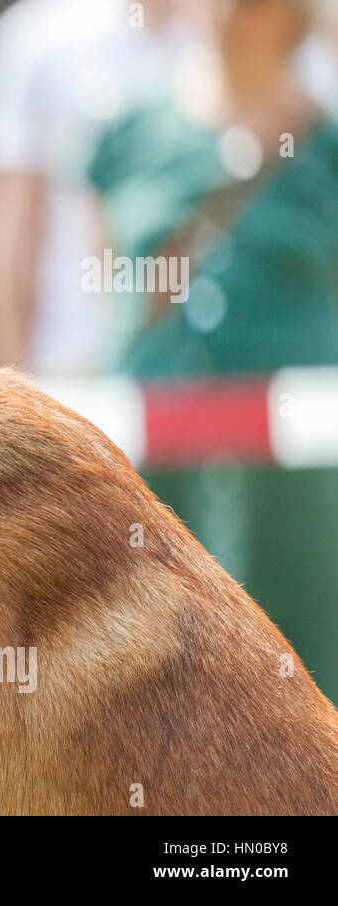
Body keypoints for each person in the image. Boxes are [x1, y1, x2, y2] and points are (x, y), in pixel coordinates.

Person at [87, 0, 338, 697]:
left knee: (309, 681)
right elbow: (101, 292)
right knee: (156, 685)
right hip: (152, 468)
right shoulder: (127, 134)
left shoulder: (329, 143)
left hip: (303, 486)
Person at [0, 0, 183, 373]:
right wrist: (18, 396)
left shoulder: (265, 24)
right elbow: (5, 237)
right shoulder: (36, 37)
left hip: (230, 370)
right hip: (77, 370)